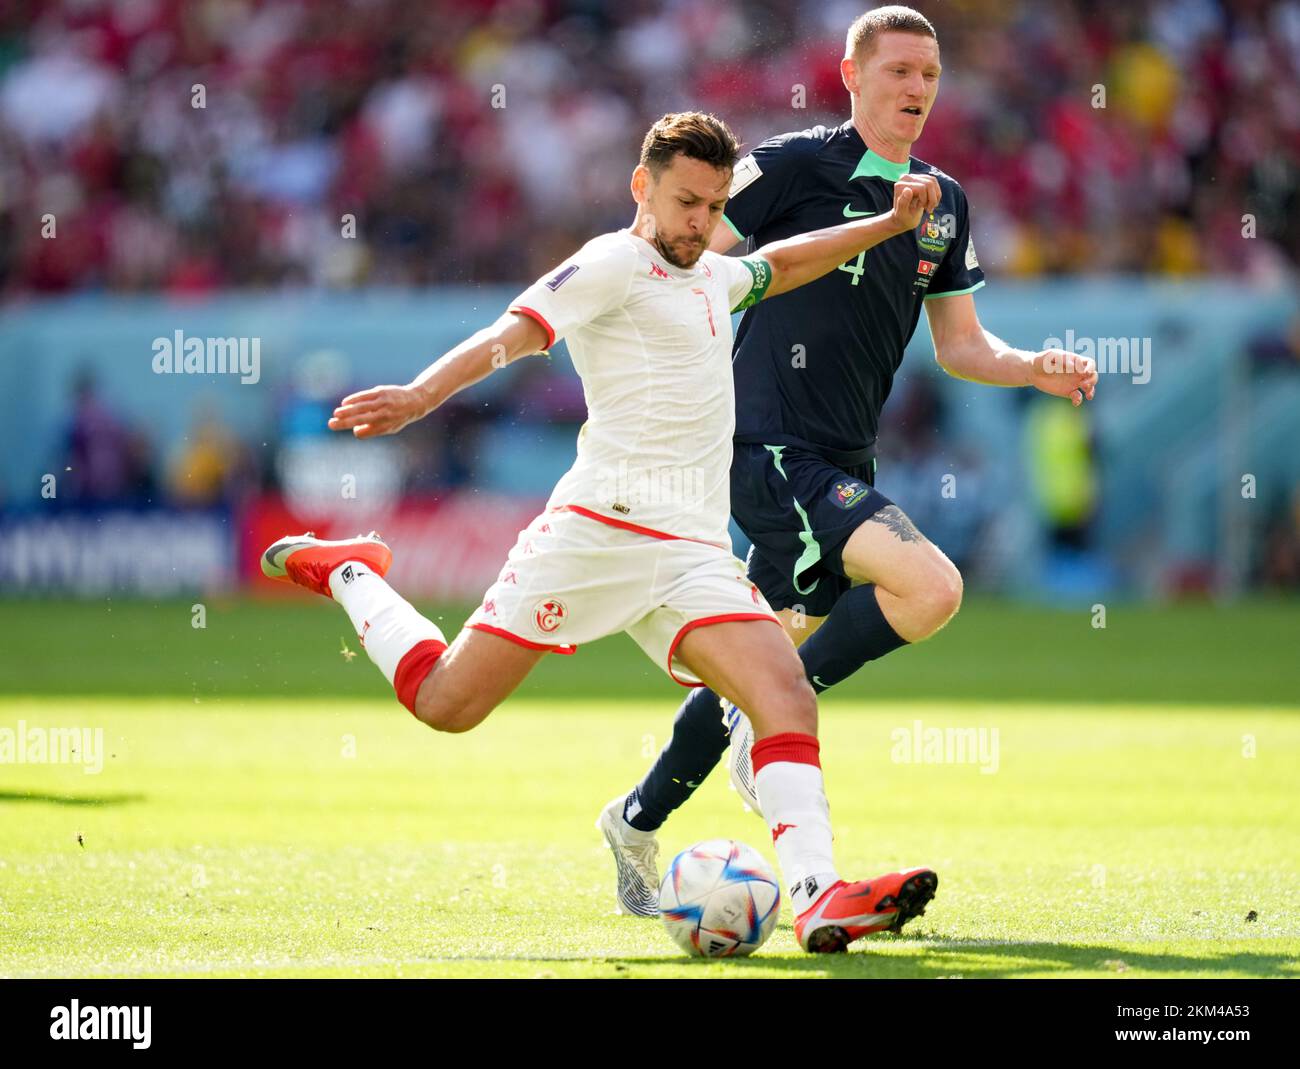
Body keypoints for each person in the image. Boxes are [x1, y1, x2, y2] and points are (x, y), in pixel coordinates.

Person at [262, 110, 942, 952]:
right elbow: (509, 337)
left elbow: (783, 263)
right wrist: (416, 395)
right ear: (641, 187)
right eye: (686, 201)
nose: (700, 222)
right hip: (595, 535)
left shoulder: (713, 276)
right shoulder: (611, 262)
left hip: (692, 551)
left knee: (784, 691)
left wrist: (885, 225)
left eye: (714, 204)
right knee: (446, 703)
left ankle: (817, 895)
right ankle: (351, 573)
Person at [601, 7, 1098, 917]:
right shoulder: (792, 167)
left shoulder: (943, 203)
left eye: (930, 75)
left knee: (759, 655)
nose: (917, 89)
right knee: (930, 585)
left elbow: (960, 345)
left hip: (841, 456)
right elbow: (678, 254)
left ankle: (636, 817)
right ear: (852, 75)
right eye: (900, 70)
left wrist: (1034, 366)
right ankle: (767, 734)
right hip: (768, 446)